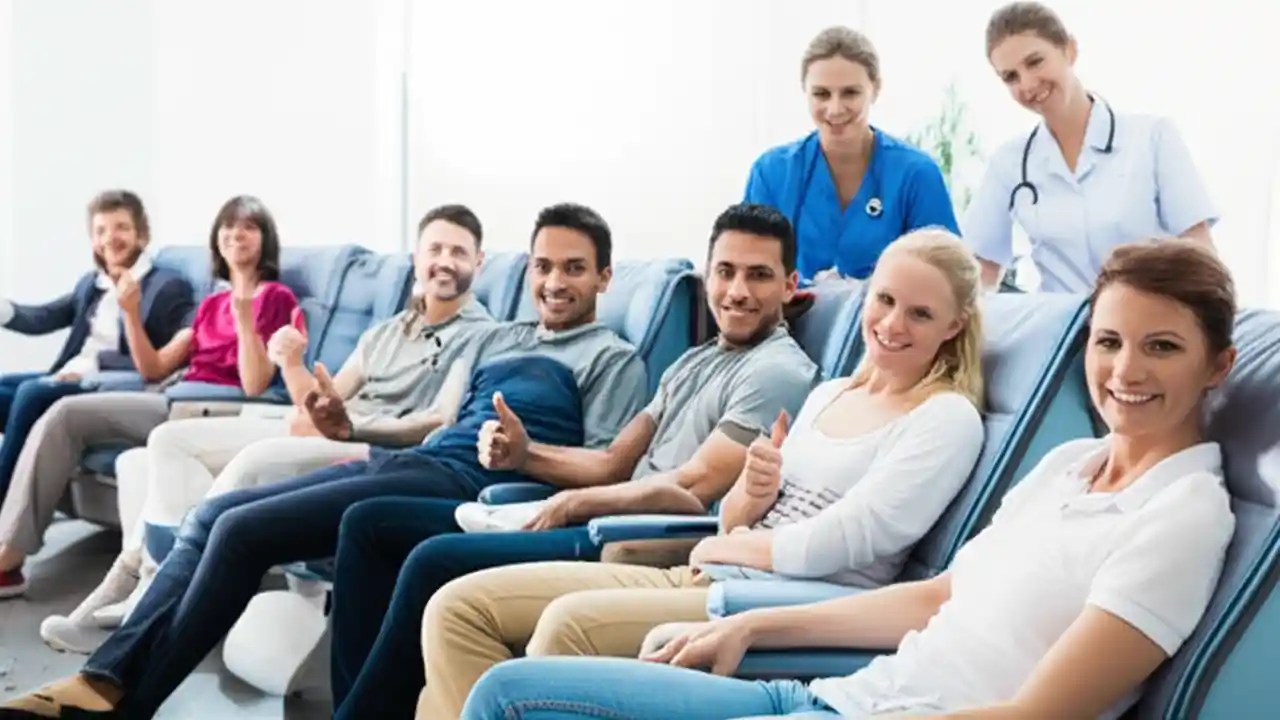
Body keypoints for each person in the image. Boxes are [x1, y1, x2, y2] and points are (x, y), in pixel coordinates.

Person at [461, 239, 1238, 720]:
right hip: (846, 691)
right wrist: (748, 627)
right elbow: (939, 598)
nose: (1125, 371)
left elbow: (1037, 713)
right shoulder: (1068, 466)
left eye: (1162, 348)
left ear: (1218, 366)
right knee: (508, 693)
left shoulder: (1184, 513)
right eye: (1109, 342)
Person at [0, 202, 649, 720]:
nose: (555, 282)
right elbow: (440, 421)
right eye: (543, 266)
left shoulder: (611, 357)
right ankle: (105, 678)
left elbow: (607, 469)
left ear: (603, 277)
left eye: (573, 268)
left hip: (473, 487)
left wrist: (526, 454)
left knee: (246, 530)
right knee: (223, 514)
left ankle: (123, 698)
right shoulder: (499, 339)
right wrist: (351, 424)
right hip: (420, 461)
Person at [415, 228, 987, 720]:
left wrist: (734, 544)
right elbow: (736, 517)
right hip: (717, 572)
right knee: (457, 609)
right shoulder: (833, 394)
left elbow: (842, 543)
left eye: (920, 313)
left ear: (955, 324)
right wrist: (749, 497)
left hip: (785, 600)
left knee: (569, 626)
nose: (891, 323)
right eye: (884, 300)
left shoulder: (945, 418)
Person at [329, 203, 823, 719]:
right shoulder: (695, 360)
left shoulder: (776, 371)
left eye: (759, 276)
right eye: (725, 272)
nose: (737, 291)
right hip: (606, 516)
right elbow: (614, 460)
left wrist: (573, 502)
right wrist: (526, 455)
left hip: (648, 539)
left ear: (789, 286)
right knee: (372, 527)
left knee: (432, 562)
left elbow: (694, 486)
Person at [36, 204, 495, 653]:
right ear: (416, 256)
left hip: (375, 451)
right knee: (164, 444)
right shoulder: (388, 331)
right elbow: (331, 391)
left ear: (479, 262)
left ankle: (148, 616)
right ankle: (143, 586)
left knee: (248, 465)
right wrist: (305, 384)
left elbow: (441, 420)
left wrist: (349, 426)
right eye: (435, 248)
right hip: (323, 429)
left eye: (458, 252)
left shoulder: (481, 334)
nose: (445, 262)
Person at [0, 194, 296, 599]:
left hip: (215, 407)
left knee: (62, 409)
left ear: (265, 240)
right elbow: (155, 368)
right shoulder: (210, 305)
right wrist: (132, 315)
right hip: (171, 395)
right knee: (63, 414)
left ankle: (7, 558)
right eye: (228, 226)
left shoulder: (278, 298)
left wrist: (246, 320)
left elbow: (255, 384)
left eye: (248, 227)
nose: (236, 234)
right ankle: (9, 550)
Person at [964, 2, 1217, 293]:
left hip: (1147, 321)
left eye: (1035, 62)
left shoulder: (1151, 137)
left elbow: (1200, 253)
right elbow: (981, 271)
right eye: (1010, 77)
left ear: (1069, 50)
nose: (1027, 83)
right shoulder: (1009, 163)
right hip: (1064, 329)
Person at [0, 190, 193, 521]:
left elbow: (163, 359)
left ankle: (5, 504)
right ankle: (39, 482)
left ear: (141, 234)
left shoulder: (166, 285)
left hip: (112, 385)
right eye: (101, 231)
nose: (110, 239)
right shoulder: (92, 283)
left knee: (31, 393)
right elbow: (44, 317)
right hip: (70, 375)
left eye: (121, 228)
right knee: (4, 388)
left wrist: (94, 367)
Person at [744, 26, 959, 285]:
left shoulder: (915, 173)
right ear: (805, 91)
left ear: (875, 88)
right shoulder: (772, 173)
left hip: (890, 324)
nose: (834, 109)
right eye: (821, 94)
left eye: (850, 93)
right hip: (792, 321)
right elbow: (748, 268)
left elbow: (947, 277)